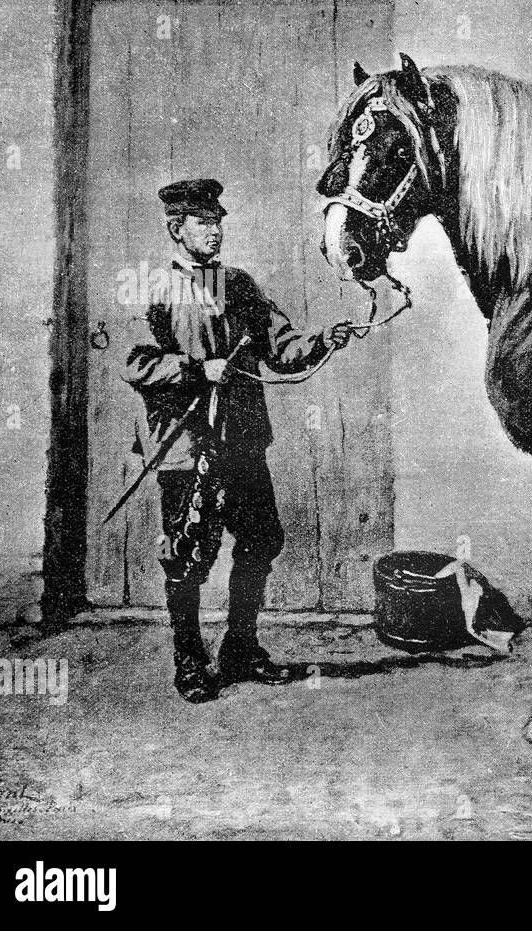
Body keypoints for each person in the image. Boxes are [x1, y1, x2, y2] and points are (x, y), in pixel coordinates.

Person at [124, 178, 352, 703]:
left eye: (219, 220)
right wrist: (202, 368)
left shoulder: (241, 285)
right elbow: (134, 362)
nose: (216, 230)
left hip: (242, 442)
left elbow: (282, 347)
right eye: (204, 222)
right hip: (185, 447)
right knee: (186, 554)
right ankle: (188, 657)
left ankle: (240, 647)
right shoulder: (151, 289)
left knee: (261, 539)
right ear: (176, 229)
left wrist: (323, 342)